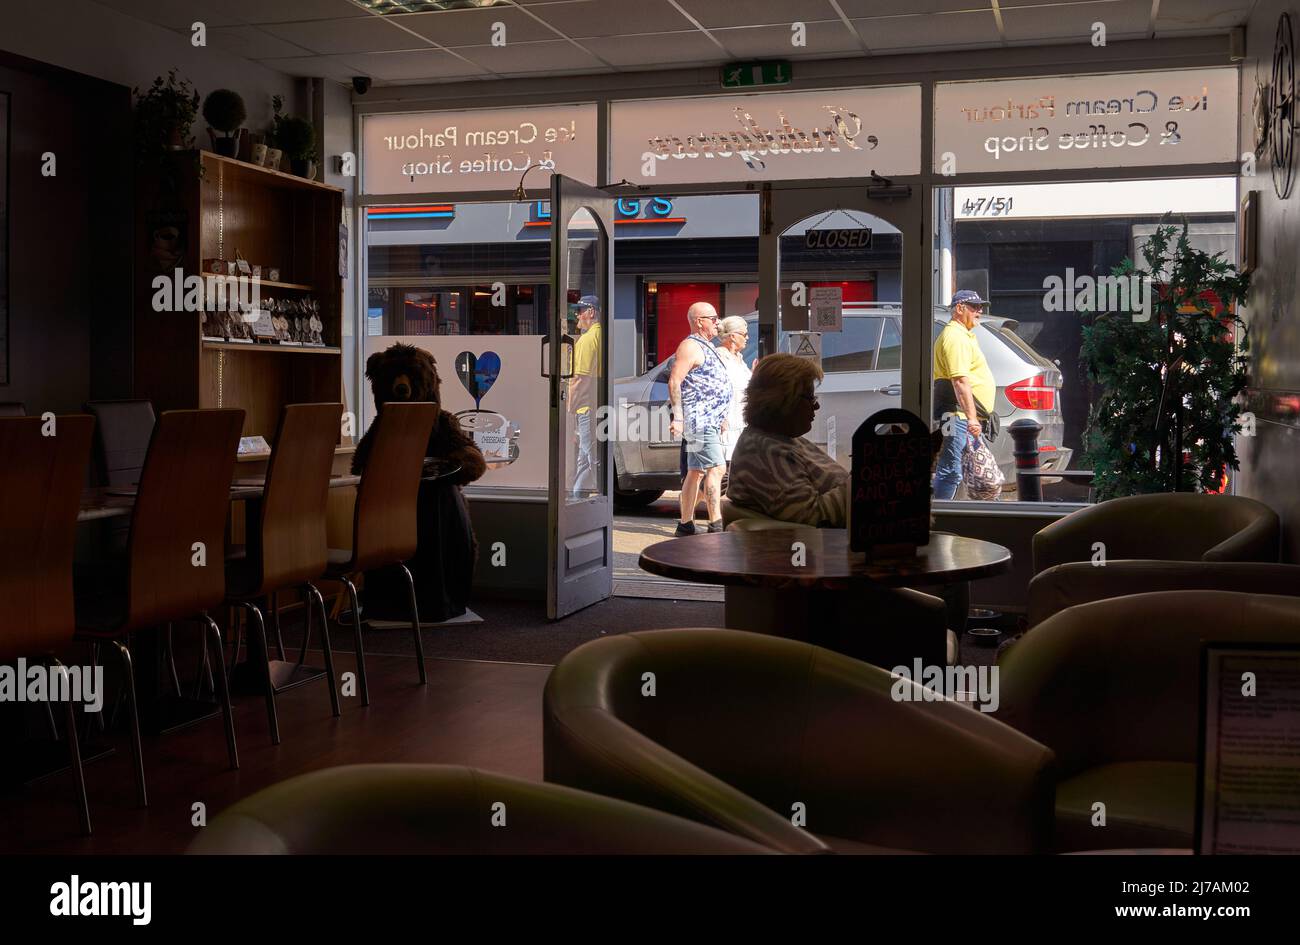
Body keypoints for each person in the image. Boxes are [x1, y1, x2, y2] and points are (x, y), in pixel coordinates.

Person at [726, 354, 848, 527]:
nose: (816, 406)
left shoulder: (781, 439)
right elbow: (815, 516)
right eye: (810, 398)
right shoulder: (763, 451)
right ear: (783, 401)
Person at [668, 302, 732, 535]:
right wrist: (679, 418)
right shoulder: (690, 346)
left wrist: (721, 415)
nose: (718, 322)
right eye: (713, 318)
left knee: (696, 472)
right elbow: (675, 381)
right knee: (716, 468)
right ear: (699, 321)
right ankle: (715, 524)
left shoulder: (705, 345)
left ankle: (685, 525)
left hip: (707, 420)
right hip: (699, 421)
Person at [932, 289, 996, 501]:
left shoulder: (964, 335)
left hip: (964, 418)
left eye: (980, 307)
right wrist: (972, 418)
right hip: (958, 417)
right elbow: (959, 381)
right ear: (959, 308)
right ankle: (937, 518)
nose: (979, 311)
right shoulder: (955, 337)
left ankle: (991, 514)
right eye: (974, 307)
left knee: (980, 469)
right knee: (951, 471)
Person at [569, 295, 601, 496]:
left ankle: (583, 499)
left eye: (580, 311)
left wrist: (568, 406)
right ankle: (577, 497)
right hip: (595, 405)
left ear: (591, 312)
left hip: (585, 407)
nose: (576, 315)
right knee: (584, 458)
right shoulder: (602, 335)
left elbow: (580, 379)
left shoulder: (587, 339)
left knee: (590, 458)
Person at [716, 315, 752, 463]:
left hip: (741, 419)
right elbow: (716, 388)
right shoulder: (719, 357)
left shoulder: (739, 358)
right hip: (727, 421)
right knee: (726, 465)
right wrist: (720, 416)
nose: (747, 337)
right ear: (732, 336)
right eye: (744, 334)